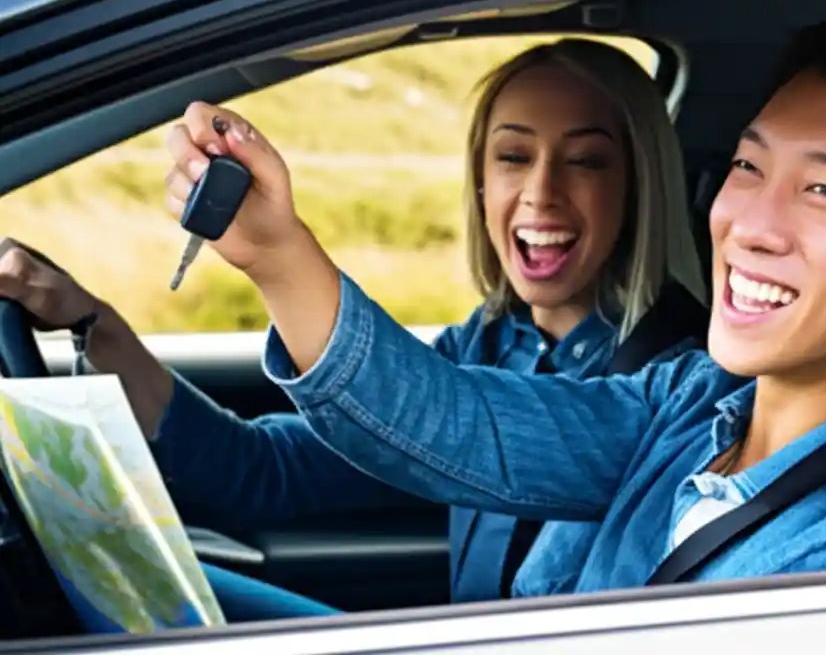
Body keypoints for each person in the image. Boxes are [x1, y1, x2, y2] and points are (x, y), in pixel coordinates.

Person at [161, 12, 826, 593]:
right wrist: (274, 252)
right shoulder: (692, 401)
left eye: (825, 192)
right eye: (750, 168)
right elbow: (454, 423)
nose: (751, 224)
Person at [0, 38, 706, 618]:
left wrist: (279, 254)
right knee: (110, 581)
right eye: (514, 156)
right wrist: (97, 324)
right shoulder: (487, 346)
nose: (542, 192)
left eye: (586, 161)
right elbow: (261, 472)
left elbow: (439, 417)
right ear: (481, 182)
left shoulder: (681, 388)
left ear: (639, 184)